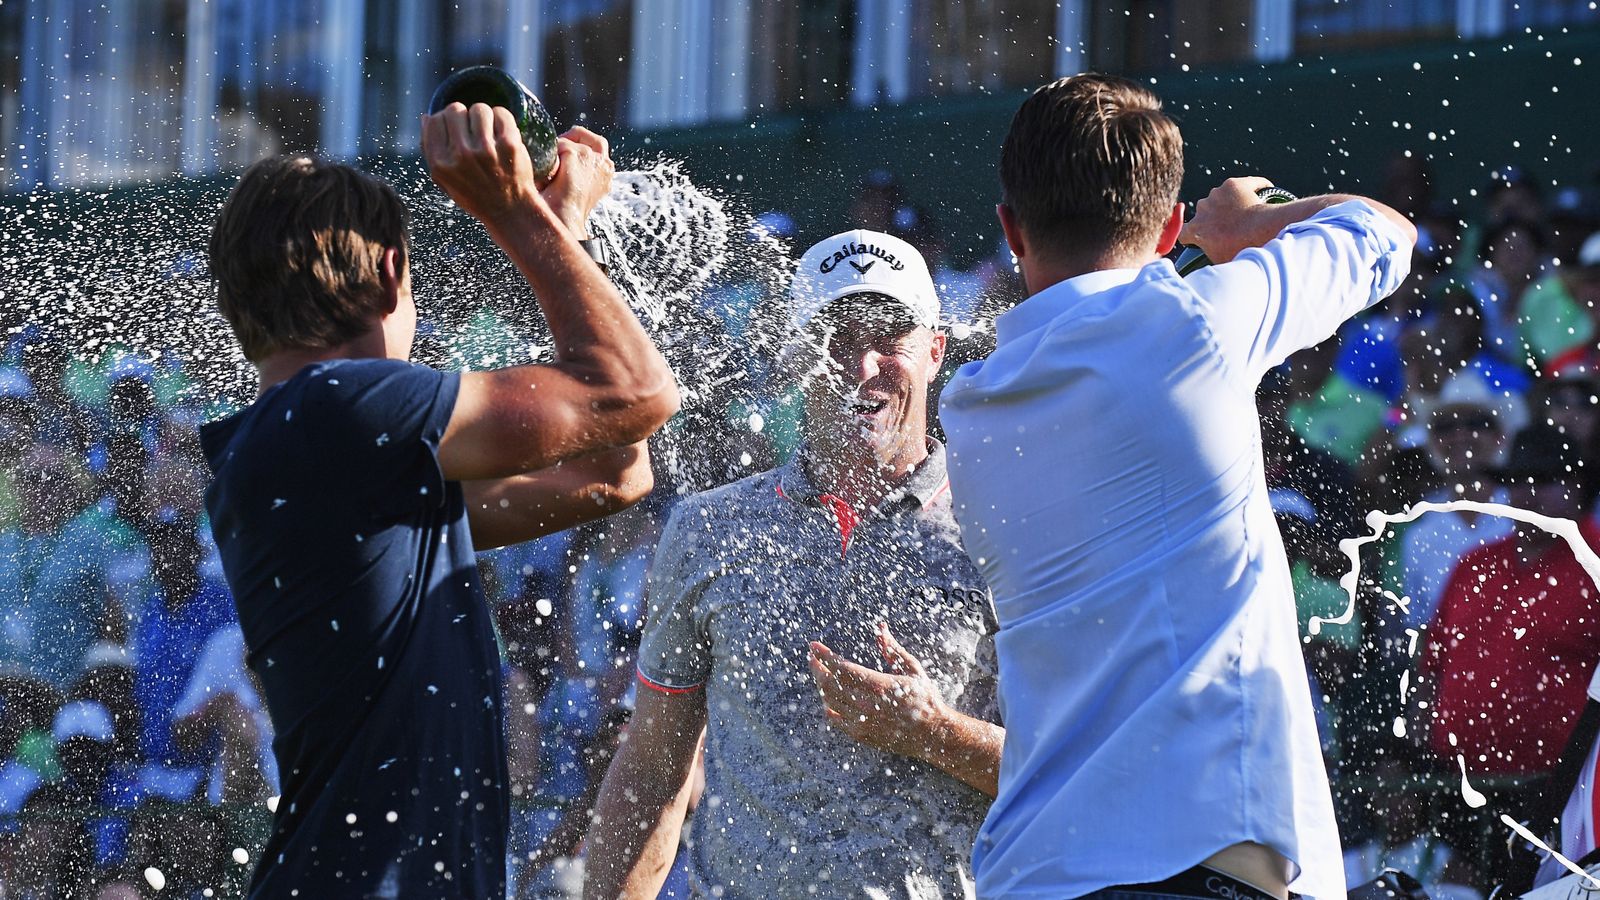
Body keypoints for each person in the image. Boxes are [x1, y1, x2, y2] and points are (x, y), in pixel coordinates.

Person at [938, 74, 1415, 900]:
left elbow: (1113, 318)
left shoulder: (970, 405)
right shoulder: (1196, 322)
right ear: (1165, 224)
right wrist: (1244, 228)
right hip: (1198, 868)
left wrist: (1190, 257)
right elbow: (1385, 232)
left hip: (1035, 874)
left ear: (1010, 230)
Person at [198, 103, 679, 899]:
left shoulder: (313, 444)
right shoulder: (339, 407)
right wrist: (518, 211)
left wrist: (564, 236)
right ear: (390, 273)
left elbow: (613, 474)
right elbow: (634, 392)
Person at [584, 230, 1003, 899]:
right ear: (795, 353)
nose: (862, 365)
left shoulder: (1003, 528)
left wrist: (933, 732)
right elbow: (652, 770)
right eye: (836, 338)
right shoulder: (709, 527)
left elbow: (1068, 777)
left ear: (934, 351)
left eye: (889, 337)